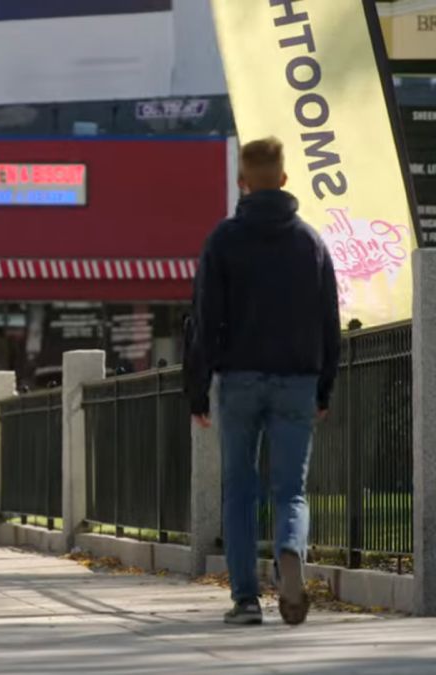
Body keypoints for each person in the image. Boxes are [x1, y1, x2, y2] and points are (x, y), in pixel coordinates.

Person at [188, 137, 340, 627]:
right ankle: (290, 549)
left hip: (239, 379)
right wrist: (324, 388)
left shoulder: (223, 240)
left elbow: (205, 319)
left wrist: (197, 387)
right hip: (297, 379)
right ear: (285, 179)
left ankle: (246, 600)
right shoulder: (310, 242)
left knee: (240, 488)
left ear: (242, 183)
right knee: (290, 491)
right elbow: (328, 321)